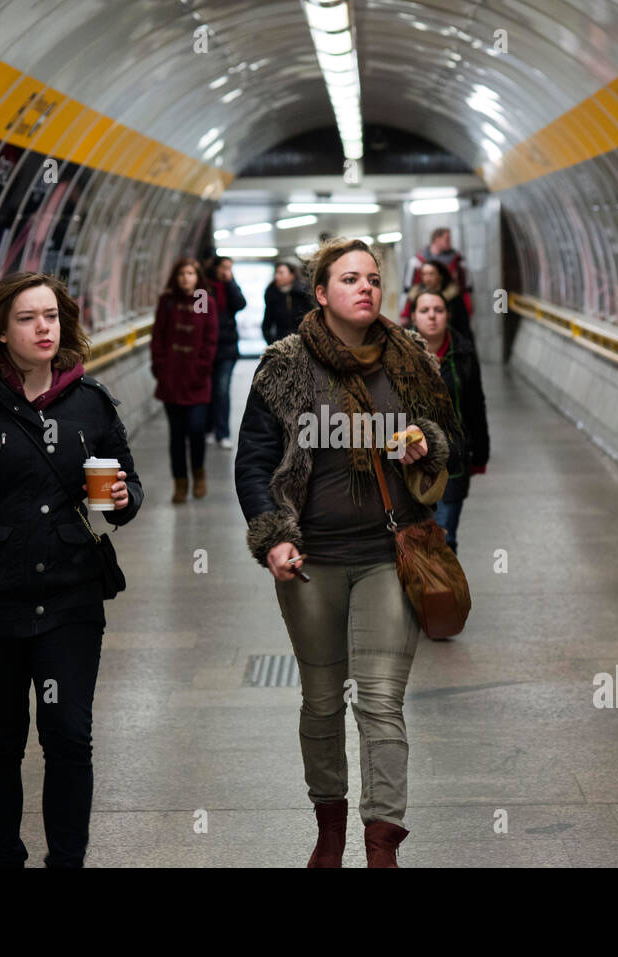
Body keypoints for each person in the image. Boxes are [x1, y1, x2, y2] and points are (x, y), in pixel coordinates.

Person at [234, 237, 461, 868]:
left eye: (374, 278)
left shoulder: (410, 359)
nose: (366, 288)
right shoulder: (284, 365)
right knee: (322, 698)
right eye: (350, 278)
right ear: (322, 292)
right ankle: (328, 824)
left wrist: (428, 444)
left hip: (392, 553)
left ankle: (381, 842)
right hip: (312, 560)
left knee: (382, 700)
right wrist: (274, 535)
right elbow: (254, 462)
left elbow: (450, 441)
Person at [0, 271, 144, 868]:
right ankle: (4, 860)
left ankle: (66, 862)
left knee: (68, 735)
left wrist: (121, 499)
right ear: (2, 331)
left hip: (70, 598)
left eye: (52, 317)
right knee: (0, 741)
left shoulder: (91, 401)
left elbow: (128, 489)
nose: (43, 328)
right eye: (27, 318)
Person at [407, 290, 489, 552]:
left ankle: (443, 593)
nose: (432, 316)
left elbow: (475, 405)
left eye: (438, 310)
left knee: (443, 541)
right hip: (409, 463)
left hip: (453, 462)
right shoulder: (399, 355)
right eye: (424, 310)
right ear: (413, 316)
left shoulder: (463, 353)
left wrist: (480, 456)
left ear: (448, 315)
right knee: (411, 542)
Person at [151, 258, 218, 502]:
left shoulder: (202, 300)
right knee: (176, 435)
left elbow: (209, 337)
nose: (185, 278)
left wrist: (201, 368)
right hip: (171, 379)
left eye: (190, 273)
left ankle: (198, 474)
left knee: (196, 429)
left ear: (197, 276)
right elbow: (158, 336)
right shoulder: (168, 302)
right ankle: (180, 482)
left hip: (196, 379)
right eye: (181, 273)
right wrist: (160, 366)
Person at [206, 256, 246, 449]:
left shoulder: (231, 286)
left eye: (230, 268)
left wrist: (230, 282)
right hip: (207, 347)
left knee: (221, 388)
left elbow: (240, 304)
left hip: (227, 346)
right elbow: (199, 313)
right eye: (224, 267)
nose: (226, 271)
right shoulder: (204, 287)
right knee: (209, 389)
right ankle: (211, 428)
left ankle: (223, 432)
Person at [401, 258, 472, 342]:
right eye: (424, 274)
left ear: (440, 276)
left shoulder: (452, 295)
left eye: (431, 274)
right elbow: (406, 319)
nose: (427, 278)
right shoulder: (415, 295)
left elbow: (462, 325)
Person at [403, 226, 471, 314]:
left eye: (431, 274)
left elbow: (465, 286)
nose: (450, 242)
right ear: (437, 240)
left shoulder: (457, 260)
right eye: (447, 239)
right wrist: (405, 314)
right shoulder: (417, 261)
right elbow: (407, 289)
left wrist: (467, 306)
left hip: (451, 300)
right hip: (423, 297)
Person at [262, 261, 314, 344]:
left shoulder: (304, 294)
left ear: (292, 275)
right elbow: (267, 324)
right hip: (280, 342)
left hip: (303, 342)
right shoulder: (272, 294)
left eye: (281, 273)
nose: (277, 276)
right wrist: (272, 343)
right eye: (276, 273)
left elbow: (313, 319)